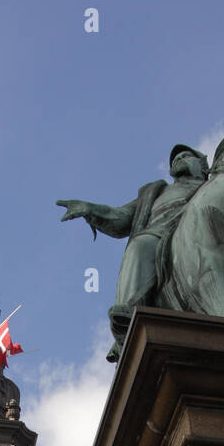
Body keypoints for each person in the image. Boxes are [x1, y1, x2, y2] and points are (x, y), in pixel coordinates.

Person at [57, 145, 210, 361]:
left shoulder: (217, 185)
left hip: (205, 237)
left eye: (186, 156)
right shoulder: (156, 192)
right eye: (175, 159)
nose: (179, 160)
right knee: (139, 245)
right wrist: (89, 209)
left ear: (203, 165)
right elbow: (119, 217)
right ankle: (127, 318)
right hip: (159, 238)